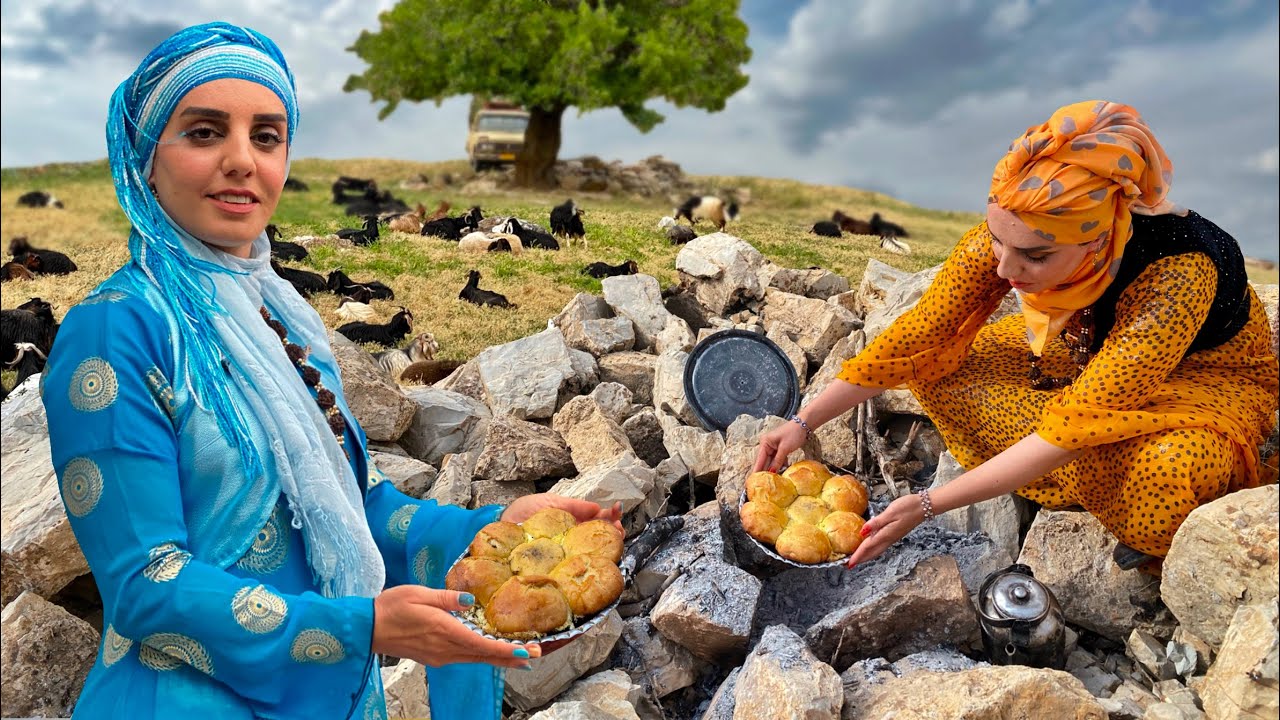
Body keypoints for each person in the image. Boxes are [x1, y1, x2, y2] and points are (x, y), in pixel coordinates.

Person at [42, 22, 620, 720]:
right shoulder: (116, 331)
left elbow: (359, 510)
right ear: (146, 158)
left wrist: (493, 538)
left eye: (266, 136)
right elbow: (146, 583)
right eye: (203, 132)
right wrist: (362, 626)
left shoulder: (283, 321)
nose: (241, 161)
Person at [755, 100, 1278, 576]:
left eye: (1034, 257)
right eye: (999, 241)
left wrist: (929, 504)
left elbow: (1072, 426)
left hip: (1203, 378)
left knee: (1167, 472)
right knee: (941, 369)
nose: (1006, 268)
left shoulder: (1179, 271)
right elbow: (921, 334)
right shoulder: (1021, 222)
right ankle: (1071, 474)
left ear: (1098, 240)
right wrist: (804, 420)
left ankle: (1112, 494)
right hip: (1084, 347)